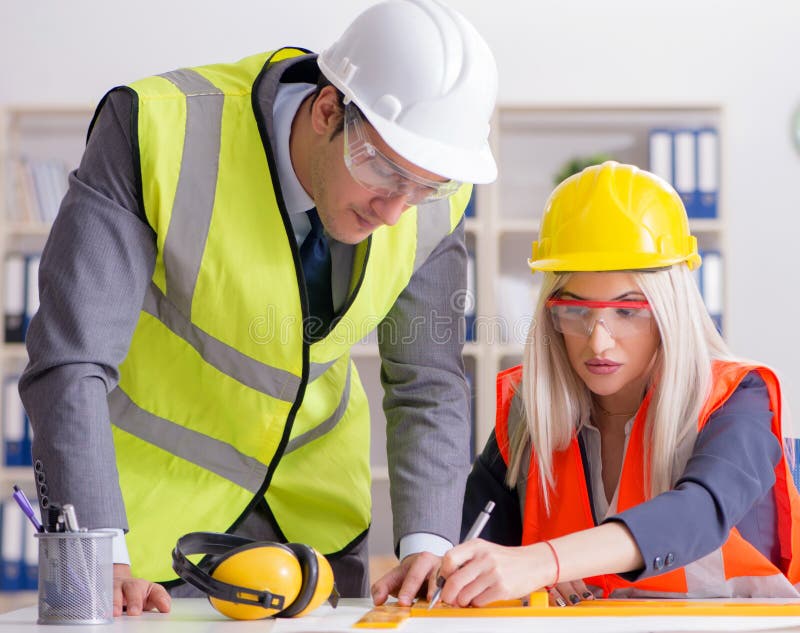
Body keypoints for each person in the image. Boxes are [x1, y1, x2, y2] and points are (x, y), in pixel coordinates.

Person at [19, 0, 498, 616]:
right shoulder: (158, 132)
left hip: (315, 531)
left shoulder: (426, 202)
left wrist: (429, 545)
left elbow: (428, 381)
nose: (394, 209)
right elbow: (70, 357)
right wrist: (97, 550)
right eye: (383, 169)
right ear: (328, 110)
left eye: (426, 187)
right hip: (150, 536)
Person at [434, 161, 800, 607]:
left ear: (669, 311)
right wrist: (449, 568)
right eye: (576, 311)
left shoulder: (735, 399)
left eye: (628, 311)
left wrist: (541, 562)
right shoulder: (528, 417)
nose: (598, 341)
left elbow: (699, 512)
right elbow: (477, 549)